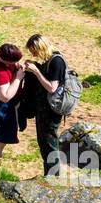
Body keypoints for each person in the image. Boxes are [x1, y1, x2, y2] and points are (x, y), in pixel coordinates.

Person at [19, 33, 69, 176]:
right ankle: (51, 174)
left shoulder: (56, 61)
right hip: (43, 109)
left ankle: (54, 176)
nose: (34, 54)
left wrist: (35, 71)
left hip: (51, 111)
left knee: (49, 143)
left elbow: (52, 88)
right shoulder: (49, 61)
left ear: (40, 47)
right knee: (44, 144)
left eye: (34, 51)